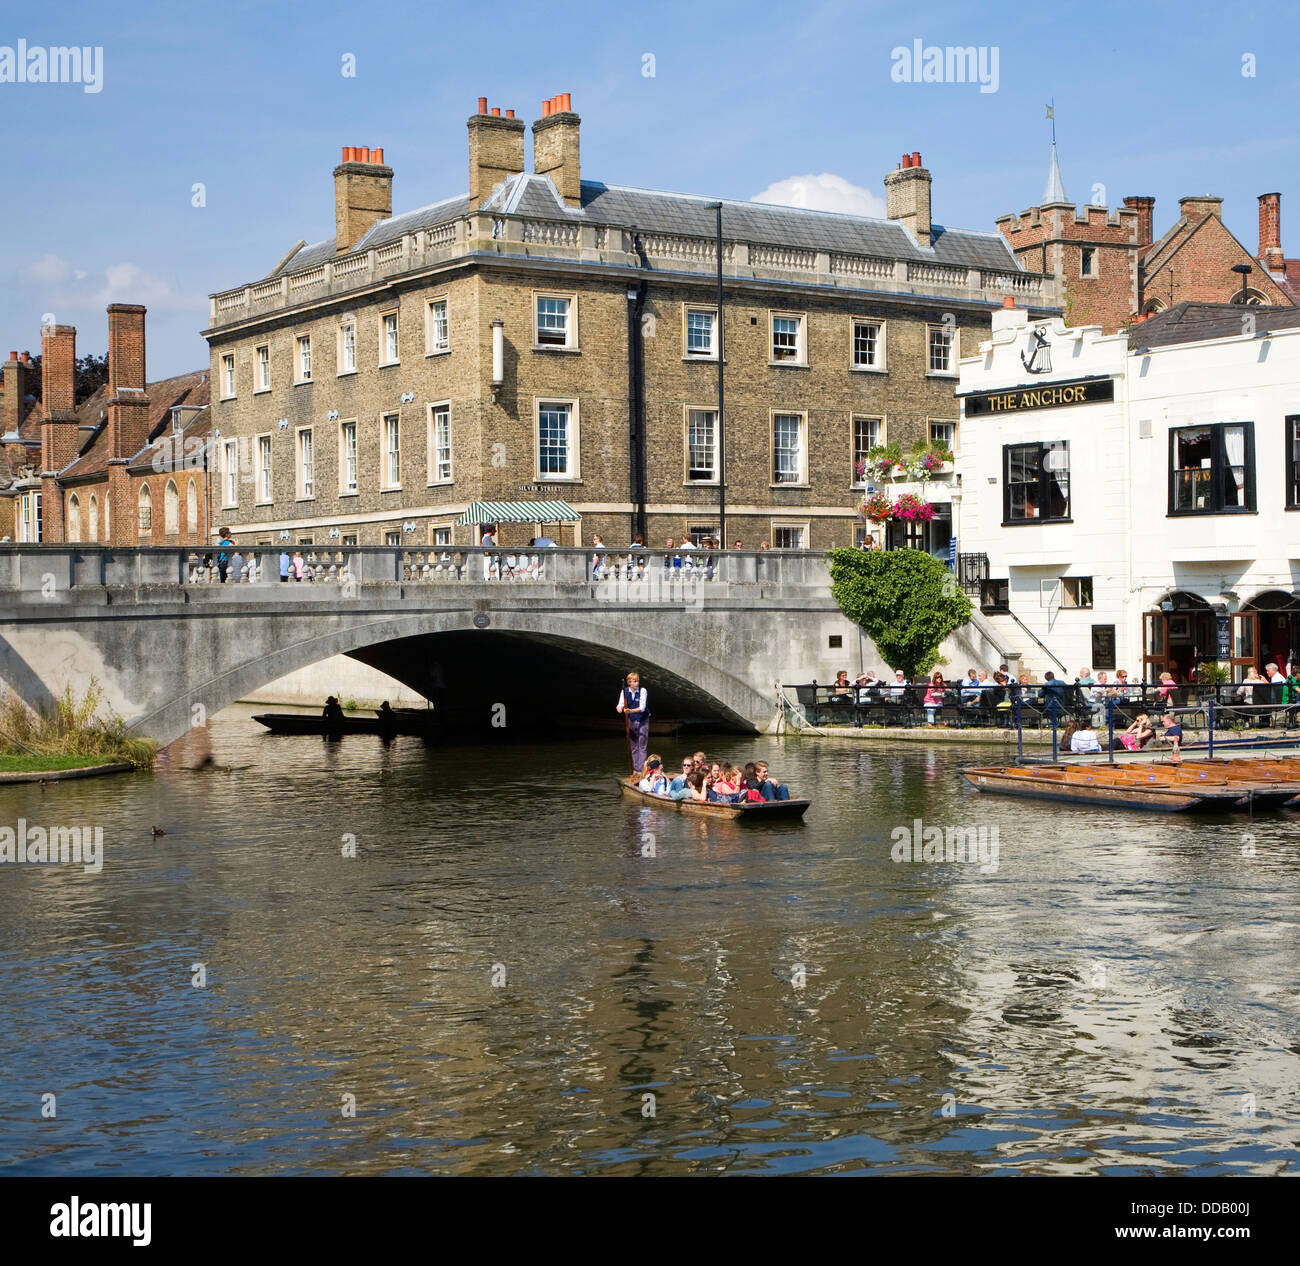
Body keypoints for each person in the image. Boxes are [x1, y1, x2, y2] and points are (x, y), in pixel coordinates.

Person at [617, 671, 650, 774]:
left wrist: (630, 711)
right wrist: (620, 708)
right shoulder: (624, 691)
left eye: (637, 681)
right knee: (634, 745)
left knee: (642, 745)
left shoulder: (643, 691)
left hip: (643, 719)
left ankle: (642, 770)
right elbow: (620, 704)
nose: (636, 683)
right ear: (629, 682)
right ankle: (636, 769)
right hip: (631, 720)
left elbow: (642, 708)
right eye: (634, 681)